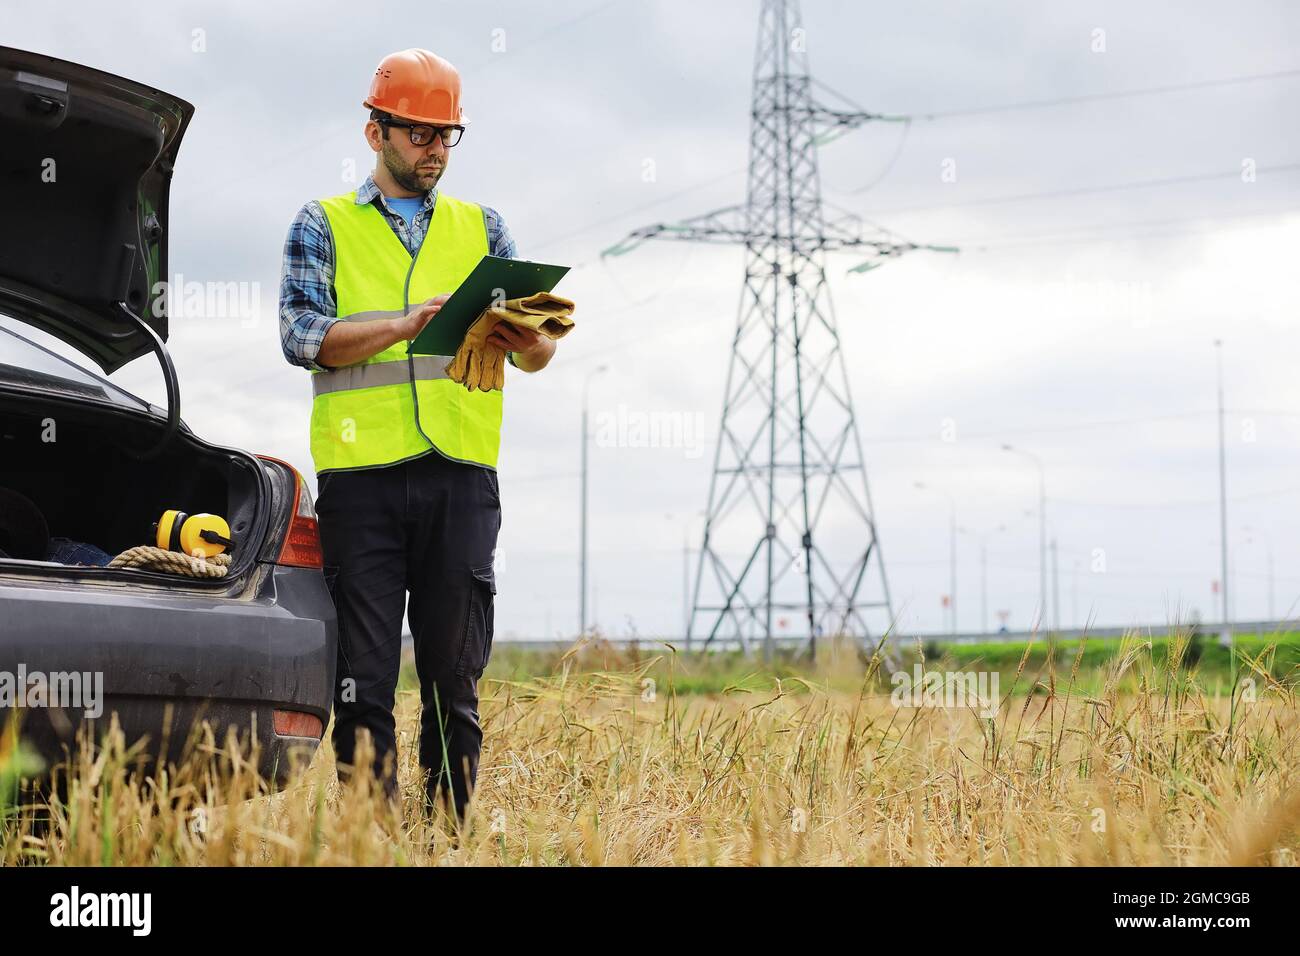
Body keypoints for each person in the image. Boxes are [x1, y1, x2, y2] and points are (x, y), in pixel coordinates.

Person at [278, 48, 558, 817]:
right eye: (420, 134)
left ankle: (446, 841)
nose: (436, 150)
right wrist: (404, 326)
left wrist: (529, 338)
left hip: (461, 477)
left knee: (452, 679)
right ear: (376, 132)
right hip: (361, 481)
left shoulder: (485, 227)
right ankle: (371, 841)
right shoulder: (322, 224)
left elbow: (537, 355)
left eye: (447, 135)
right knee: (362, 682)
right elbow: (303, 336)